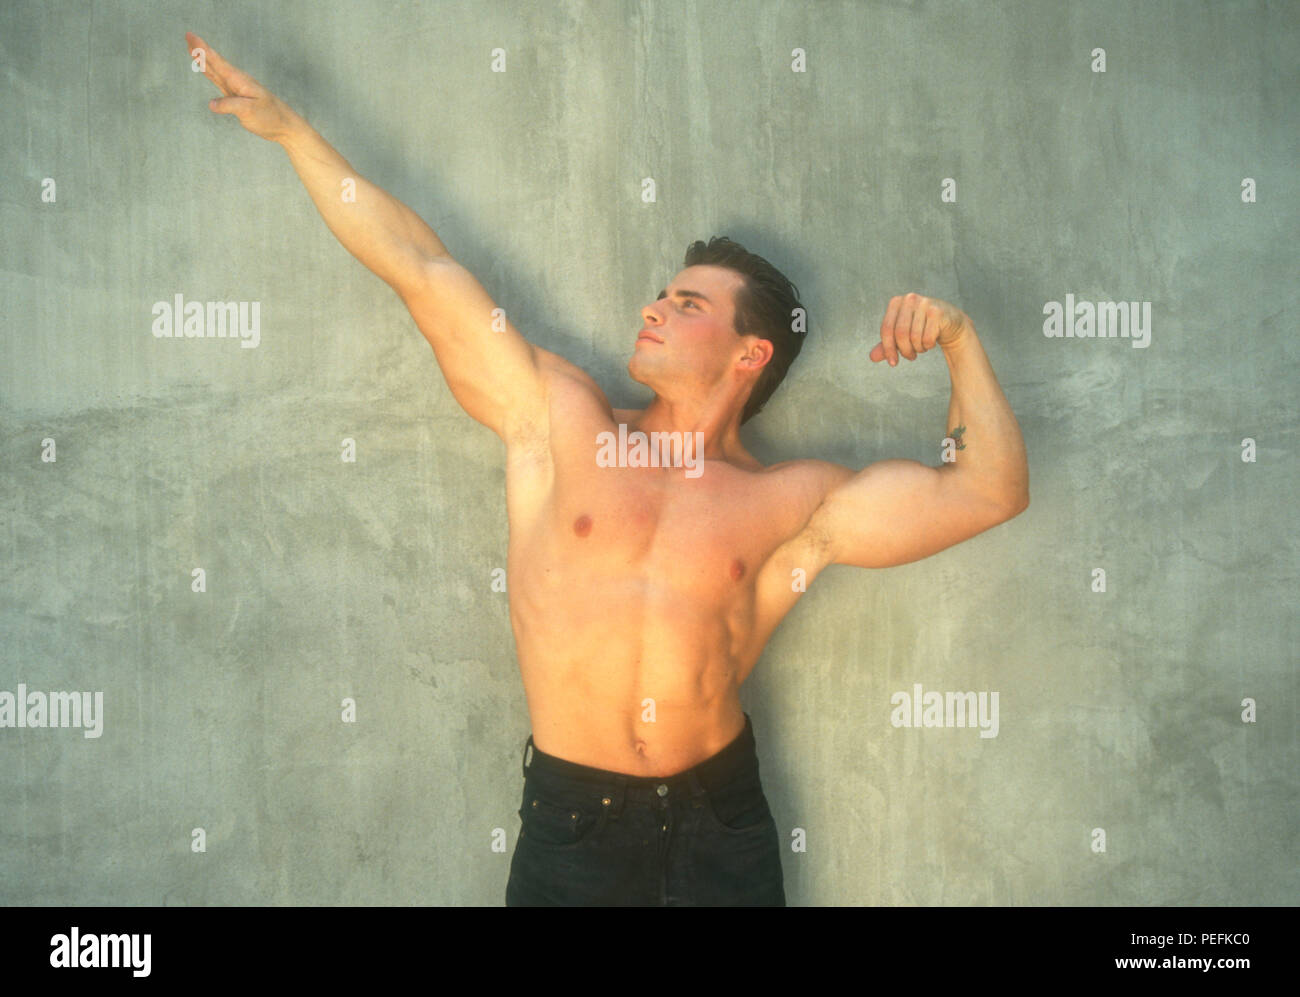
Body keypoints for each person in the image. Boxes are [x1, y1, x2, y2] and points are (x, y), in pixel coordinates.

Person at [187, 32, 1029, 906]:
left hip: (722, 820)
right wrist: (292, 133)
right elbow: (423, 268)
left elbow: (990, 489)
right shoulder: (561, 419)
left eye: (685, 302)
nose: (652, 307)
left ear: (750, 353)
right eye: (664, 293)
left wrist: (961, 341)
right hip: (574, 824)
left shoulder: (792, 501)